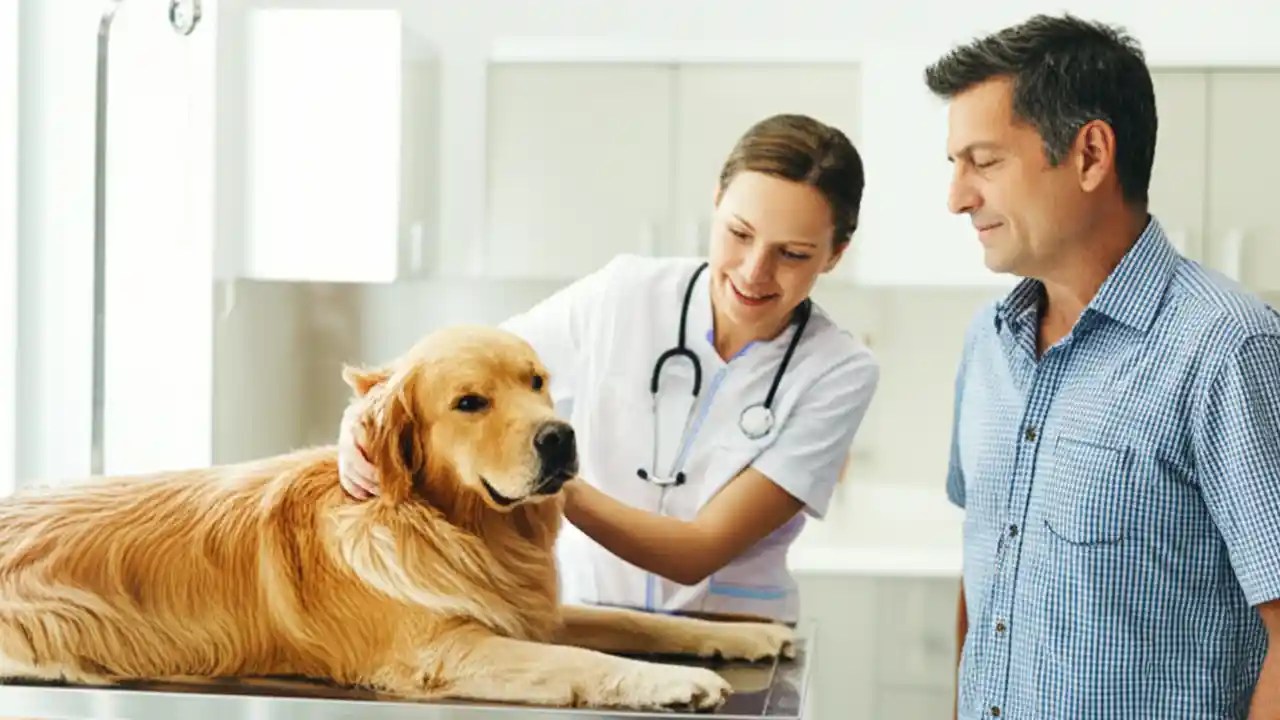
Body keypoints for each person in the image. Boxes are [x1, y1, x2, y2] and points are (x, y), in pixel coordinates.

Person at [335, 113, 880, 624]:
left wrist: (544, 476)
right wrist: (368, 414)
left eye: (794, 254)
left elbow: (699, 550)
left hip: (734, 641)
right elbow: (468, 368)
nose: (754, 271)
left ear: (835, 253)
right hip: (588, 621)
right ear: (715, 204)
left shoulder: (837, 371)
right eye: (739, 234)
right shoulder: (625, 294)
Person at [928, 13, 1280, 720]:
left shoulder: (1228, 348)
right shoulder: (987, 343)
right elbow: (988, 567)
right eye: (956, 165)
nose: (958, 197)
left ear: (1090, 154)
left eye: (985, 161)